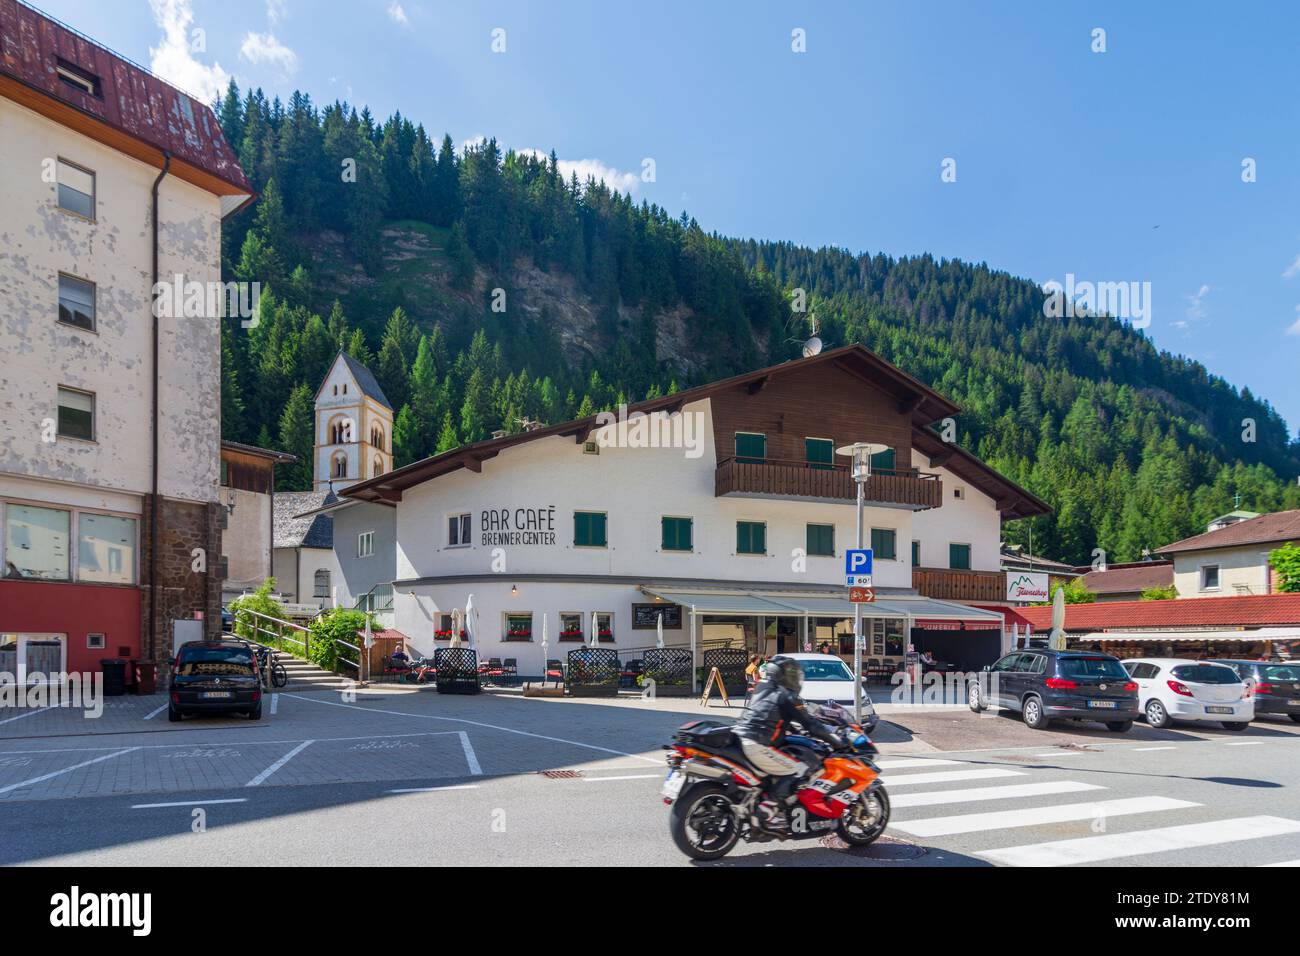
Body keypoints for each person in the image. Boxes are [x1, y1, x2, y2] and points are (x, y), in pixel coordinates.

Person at [732, 657, 843, 829]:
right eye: (793, 675)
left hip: (741, 737)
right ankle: (768, 807)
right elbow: (812, 725)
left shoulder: (762, 689)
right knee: (800, 769)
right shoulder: (787, 695)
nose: (796, 679)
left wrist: (795, 731)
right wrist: (836, 741)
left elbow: (774, 717)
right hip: (758, 744)